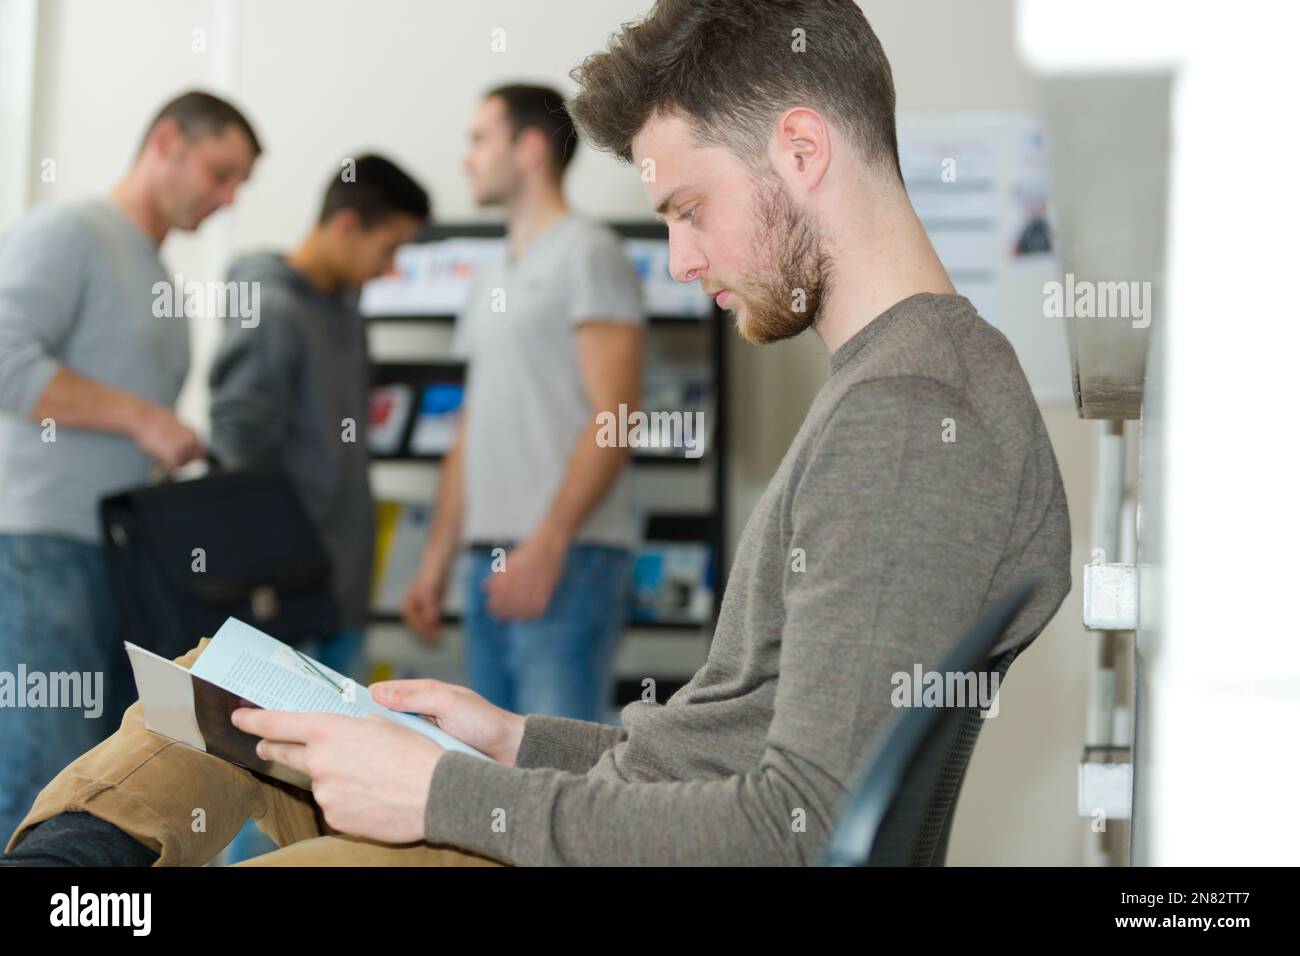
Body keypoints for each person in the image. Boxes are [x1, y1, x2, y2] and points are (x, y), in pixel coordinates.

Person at [4, 0, 1071, 867]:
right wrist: (513, 741)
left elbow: (793, 828)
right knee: (221, 683)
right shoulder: (898, 388)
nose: (683, 258)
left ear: (800, 148)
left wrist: (449, 793)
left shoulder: (906, 418)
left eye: (689, 208)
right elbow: (730, 751)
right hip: (582, 819)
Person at [0, 90, 259, 844]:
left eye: (240, 183)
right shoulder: (68, 231)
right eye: (221, 172)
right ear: (168, 142)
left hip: (118, 562)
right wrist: (145, 418)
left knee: (113, 776)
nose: (228, 196)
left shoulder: (156, 275)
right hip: (43, 547)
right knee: (41, 773)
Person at [207, 154, 431, 862]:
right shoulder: (271, 305)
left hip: (341, 593)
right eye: (388, 247)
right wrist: (268, 583)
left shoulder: (346, 314)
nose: (392, 267)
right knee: (261, 789)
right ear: (344, 225)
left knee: (325, 797)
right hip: (284, 604)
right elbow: (238, 452)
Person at [400, 84, 645, 723]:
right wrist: (434, 562)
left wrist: (549, 545)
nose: (466, 157)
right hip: (491, 561)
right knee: (486, 776)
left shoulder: (588, 252)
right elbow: (471, 430)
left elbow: (616, 416)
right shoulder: (491, 278)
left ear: (530, 147)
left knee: (554, 772)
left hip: (569, 559)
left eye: (480, 139)